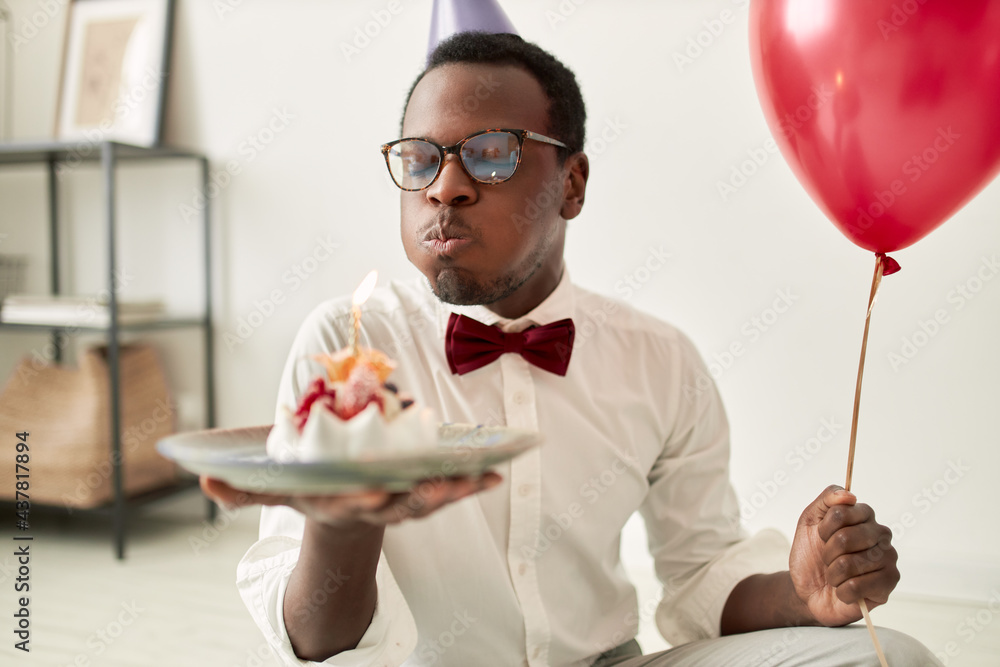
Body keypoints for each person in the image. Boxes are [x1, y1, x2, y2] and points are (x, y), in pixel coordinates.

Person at [203, 32, 942, 666]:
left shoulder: (660, 361)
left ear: (572, 184)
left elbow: (701, 575)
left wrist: (804, 594)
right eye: (421, 159)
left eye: (491, 153)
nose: (446, 187)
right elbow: (314, 643)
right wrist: (345, 514)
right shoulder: (347, 347)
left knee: (891, 656)